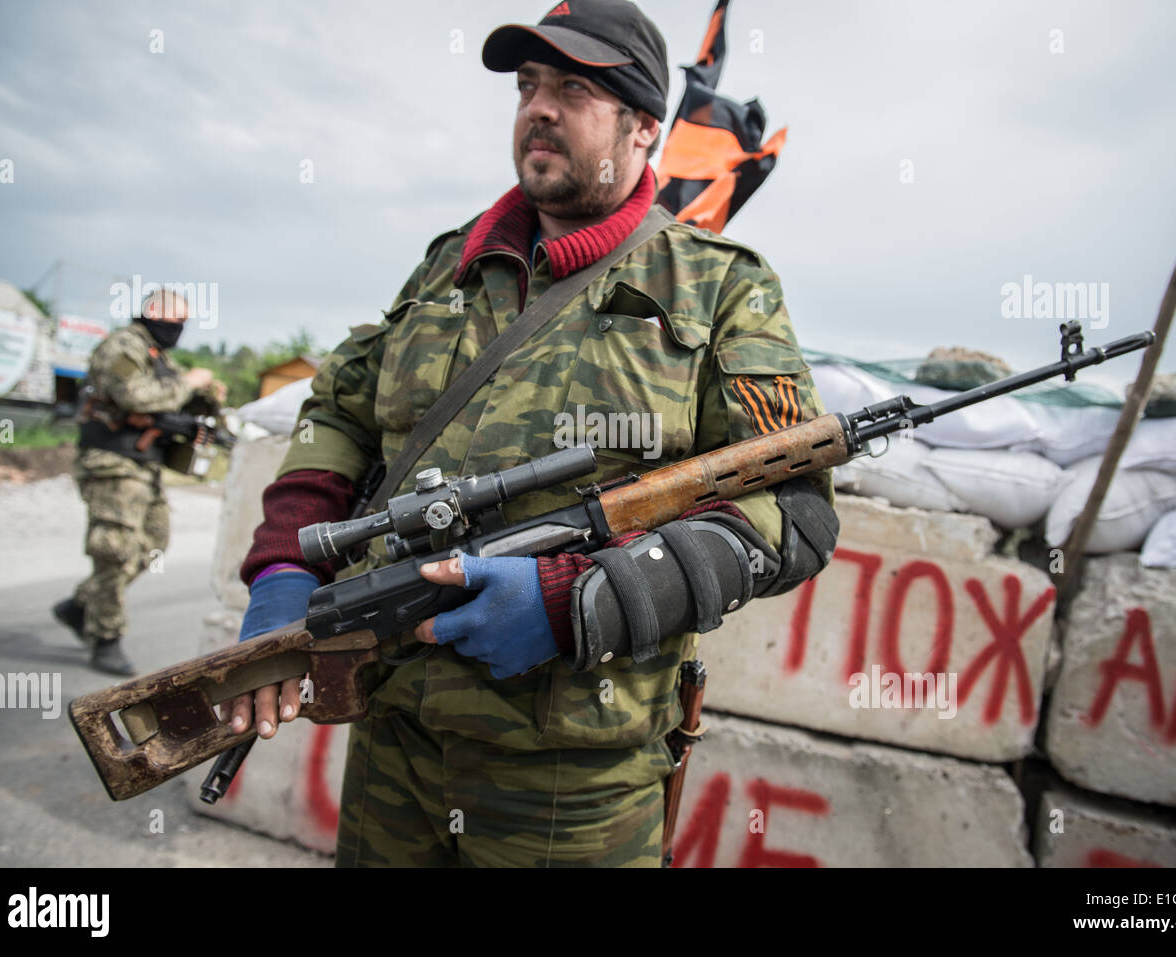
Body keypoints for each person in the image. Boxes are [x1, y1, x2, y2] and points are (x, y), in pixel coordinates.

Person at [234, 0, 839, 866]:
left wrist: (579, 601)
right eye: (527, 85)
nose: (538, 108)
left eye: (574, 89)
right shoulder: (447, 266)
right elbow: (342, 411)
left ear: (641, 130)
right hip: (390, 744)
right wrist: (287, 566)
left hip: (575, 783)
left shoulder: (720, 289)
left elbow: (795, 514)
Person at [54, 289, 223, 676]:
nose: (177, 329)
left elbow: (173, 401)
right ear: (151, 313)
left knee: (154, 544)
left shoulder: (155, 356)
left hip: (144, 464)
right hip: (112, 462)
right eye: (173, 321)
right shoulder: (123, 347)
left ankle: (82, 605)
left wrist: (204, 395)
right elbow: (134, 396)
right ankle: (105, 637)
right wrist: (191, 381)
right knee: (114, 549)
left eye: (183, 323)